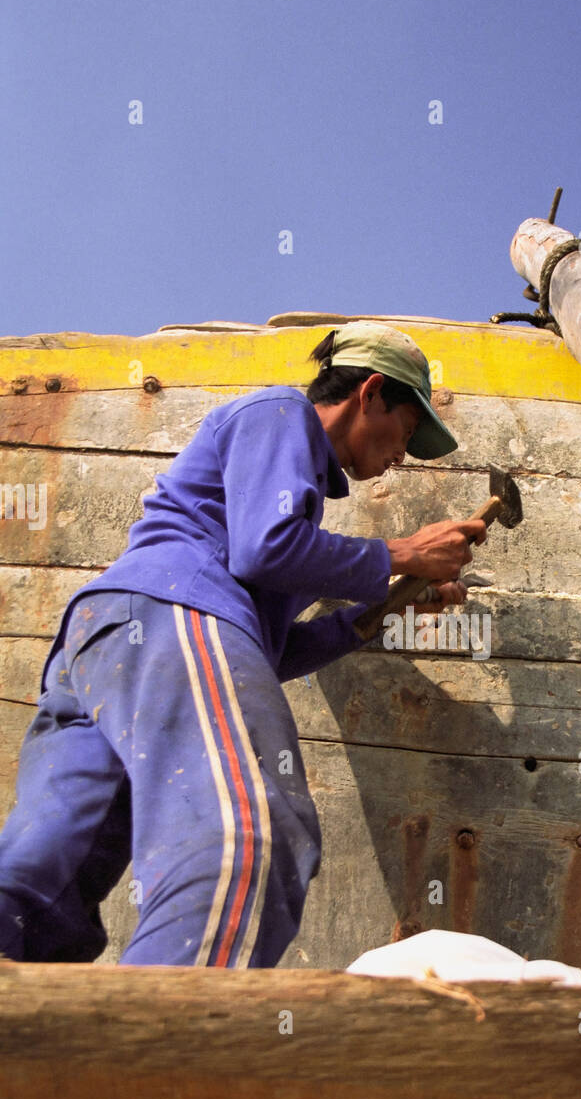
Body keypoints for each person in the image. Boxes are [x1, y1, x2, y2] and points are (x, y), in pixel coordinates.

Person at [0, 320, 486, 967]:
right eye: (406, 430)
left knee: (43, 881)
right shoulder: (280, 412)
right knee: (245, 840)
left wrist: (380, 607)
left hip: (114, 639)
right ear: (370, 393)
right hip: (171, 608)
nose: (404, 452)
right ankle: (166, 1054)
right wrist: (403, 553)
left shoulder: (287, 493)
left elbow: (266, 652)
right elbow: (267, 549)